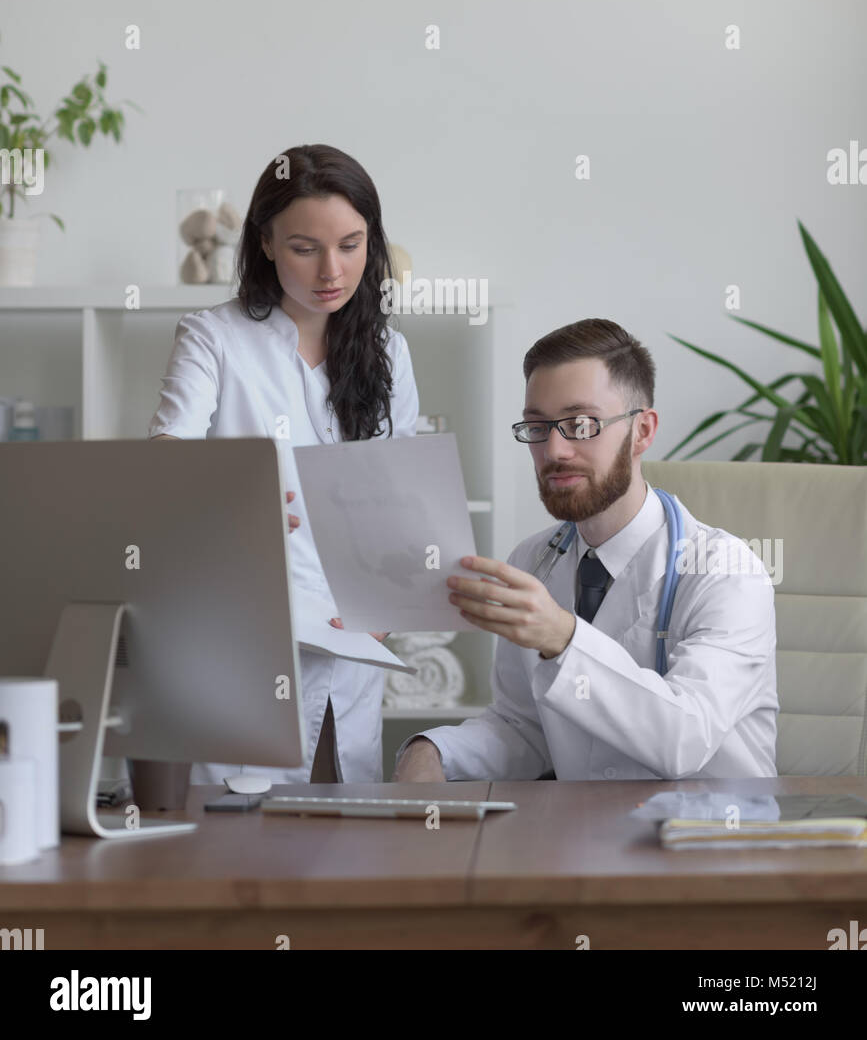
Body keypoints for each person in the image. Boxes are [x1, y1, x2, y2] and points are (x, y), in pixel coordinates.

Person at [394, 318, 778, 783]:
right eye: (537, 427)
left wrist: (562, 636)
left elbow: (686, 738)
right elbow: (524, 729)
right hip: (581, 842)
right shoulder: (534, 561)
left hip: (707, 843)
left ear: (642, 431)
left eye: (581, 424)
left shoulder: (725, 571)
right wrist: (431, 751)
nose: (555, 449)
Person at [148, 144, 419, 783]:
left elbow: (403, 494)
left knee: (340, 831)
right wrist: (236, 495)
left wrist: (388, 610)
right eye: (305, 247)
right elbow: (163, 462)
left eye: (351, 245)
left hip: (354, 636)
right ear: (265, 242)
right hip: (245, 635)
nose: (332, 270)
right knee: (242, 842)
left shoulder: (388, 351)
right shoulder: (213, 337)